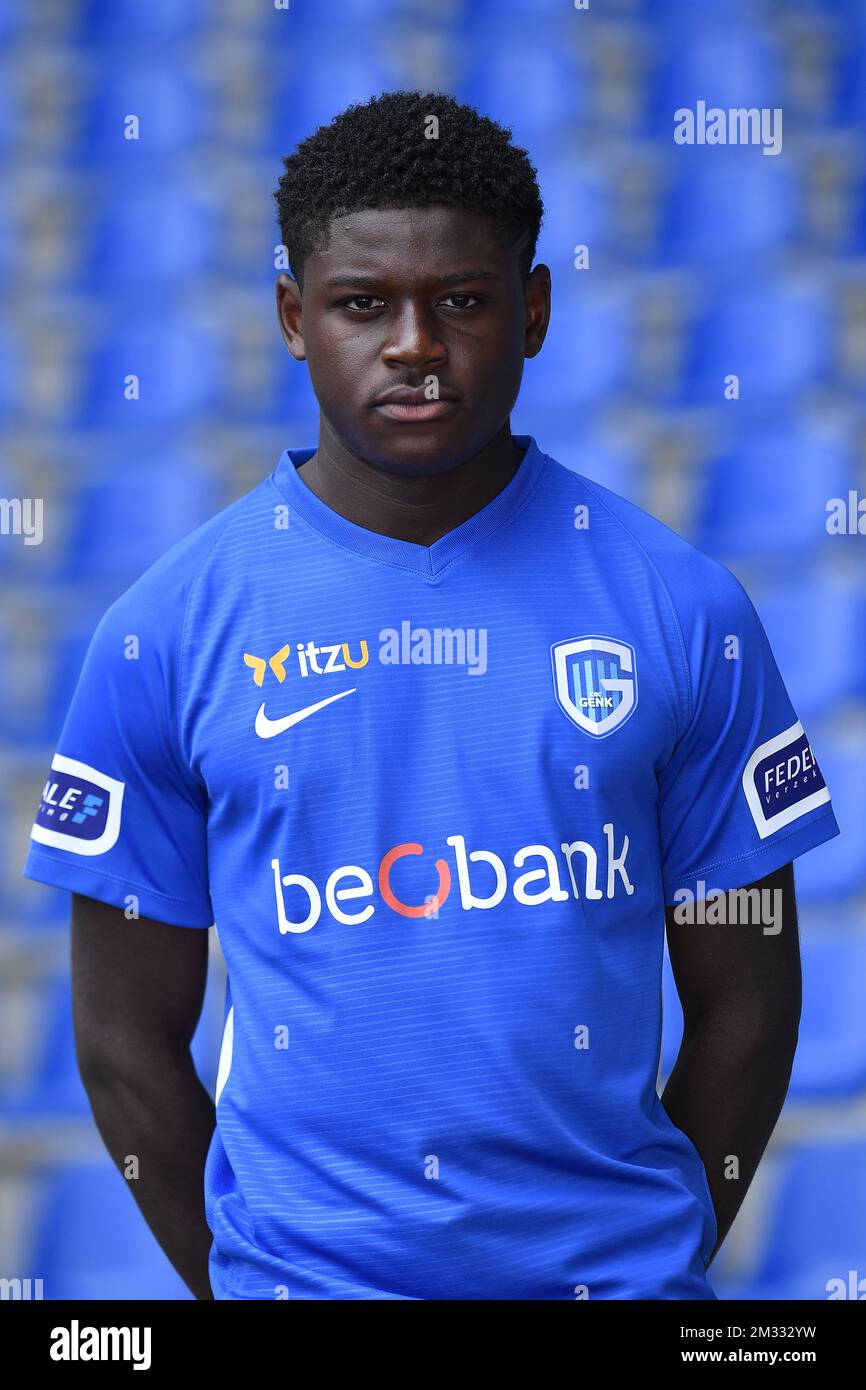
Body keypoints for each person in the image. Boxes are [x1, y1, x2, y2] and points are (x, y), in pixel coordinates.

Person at [23, 90, 839, 1301]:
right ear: (296, 320)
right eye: (363, 305)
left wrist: (632, 1265)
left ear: (535, 311)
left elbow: (750, 1003)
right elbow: (121, 1043)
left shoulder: (684, 607)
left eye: (460, 300)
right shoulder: (163, 631)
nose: (414, 343)